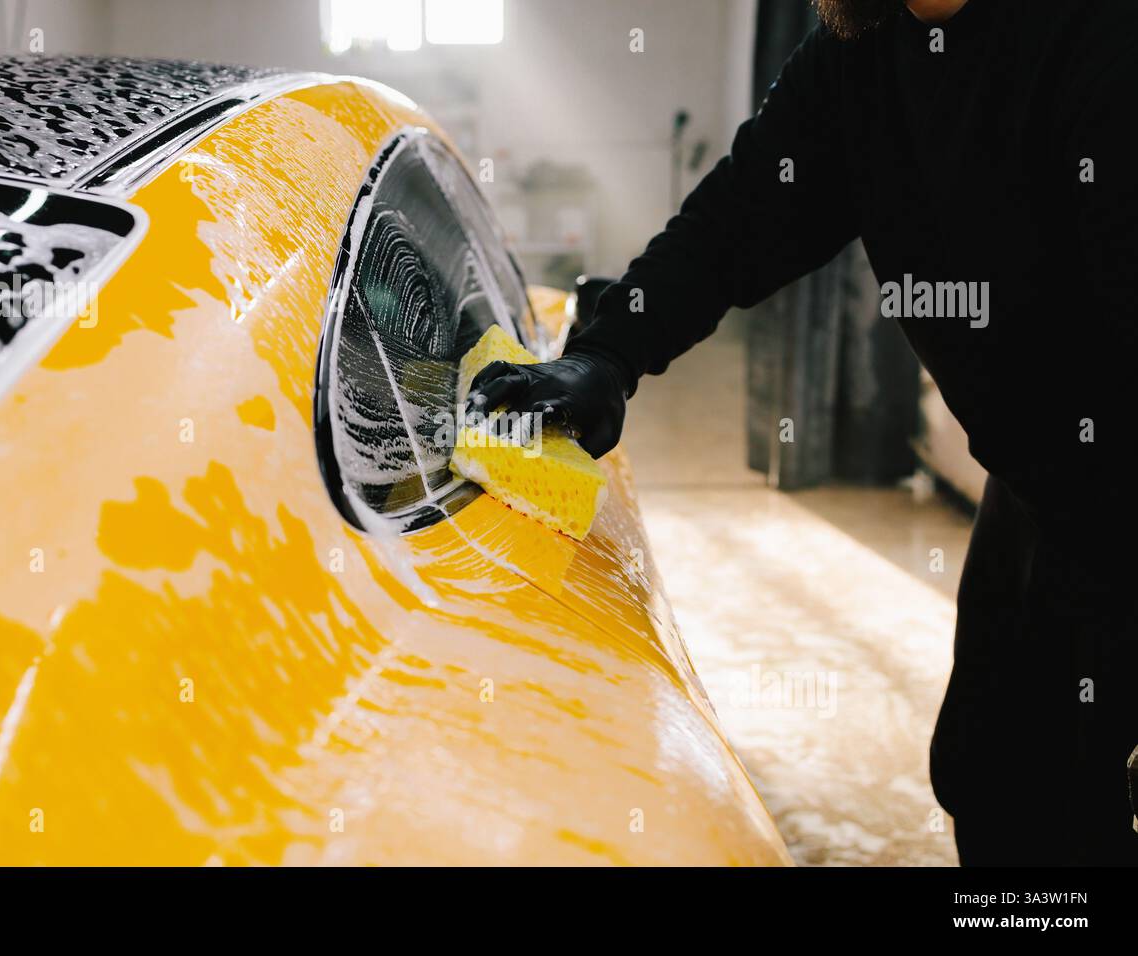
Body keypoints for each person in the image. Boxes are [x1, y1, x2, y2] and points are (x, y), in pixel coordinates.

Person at [467, 0, 1138, 866]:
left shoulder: (1100, 41)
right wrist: (604, 356)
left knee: (1063, 804)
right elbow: (735, 220)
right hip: (1036, 484)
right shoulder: (859, 53)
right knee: (990, 772)